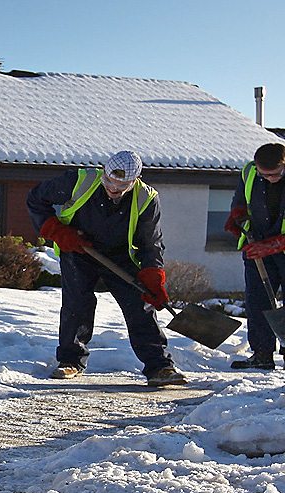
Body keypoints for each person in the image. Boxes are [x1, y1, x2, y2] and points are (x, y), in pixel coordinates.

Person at [26, 150, 188, 387]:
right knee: (77, 303)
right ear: (104, 171)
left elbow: (150, 243)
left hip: (121, 257)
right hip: (79, 249)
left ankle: (159, 366)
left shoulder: (146, 198)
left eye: (122, 185)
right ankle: (70, 360)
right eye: (111, 181)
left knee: (139, 307)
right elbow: (36, 199)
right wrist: (57, 230)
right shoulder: (79, 181)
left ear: (135, 182)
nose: (114, 188)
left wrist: (154, 276)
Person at [224, 142, 285, 370]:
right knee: (257, 301)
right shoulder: (249, 171)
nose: (269, 178)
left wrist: (277, 243)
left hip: (280, 244)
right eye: (264, 174)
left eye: (275, 174)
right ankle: (262, 354)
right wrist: (238, 216)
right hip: (256, 244)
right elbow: (240, 200)